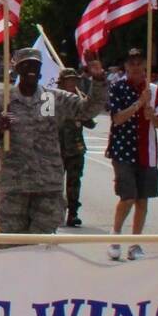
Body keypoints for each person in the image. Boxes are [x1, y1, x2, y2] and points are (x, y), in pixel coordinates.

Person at [0, 48, 106, 245]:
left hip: (47, 189)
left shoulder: (55, 98)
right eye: (26, 65)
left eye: (35, 66)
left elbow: (87, 110)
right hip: (14, 188)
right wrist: (0, 132)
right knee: (10, 250)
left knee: (41, 251)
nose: (31, 69)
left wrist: (98, 80)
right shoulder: (4, 101)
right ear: (17, 70)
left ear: (41, 71)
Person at [105, 48, 158, 260]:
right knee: (128, 196)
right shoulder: (117, 88)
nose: (136, 67)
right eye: (131, 64)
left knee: (142, 200)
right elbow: (117, 118)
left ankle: (135, 243)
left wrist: (152, 117)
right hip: (123, 149)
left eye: (140, 63)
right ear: (126, 67)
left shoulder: (155, 92)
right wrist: (139, 103)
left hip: (146, 150)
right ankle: (115, 236)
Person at [57, 67, 96, 227]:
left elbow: (91, 123)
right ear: (62, 82)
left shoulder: (81, 99)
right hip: (55, 147)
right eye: (69, 80)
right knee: (55, 183)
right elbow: (43, 120)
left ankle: (73, 213)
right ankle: (57, 213)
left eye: (74, 80)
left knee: (74, 183)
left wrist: (83, 108)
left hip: (75, 147)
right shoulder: (50, 97)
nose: (72, 83)